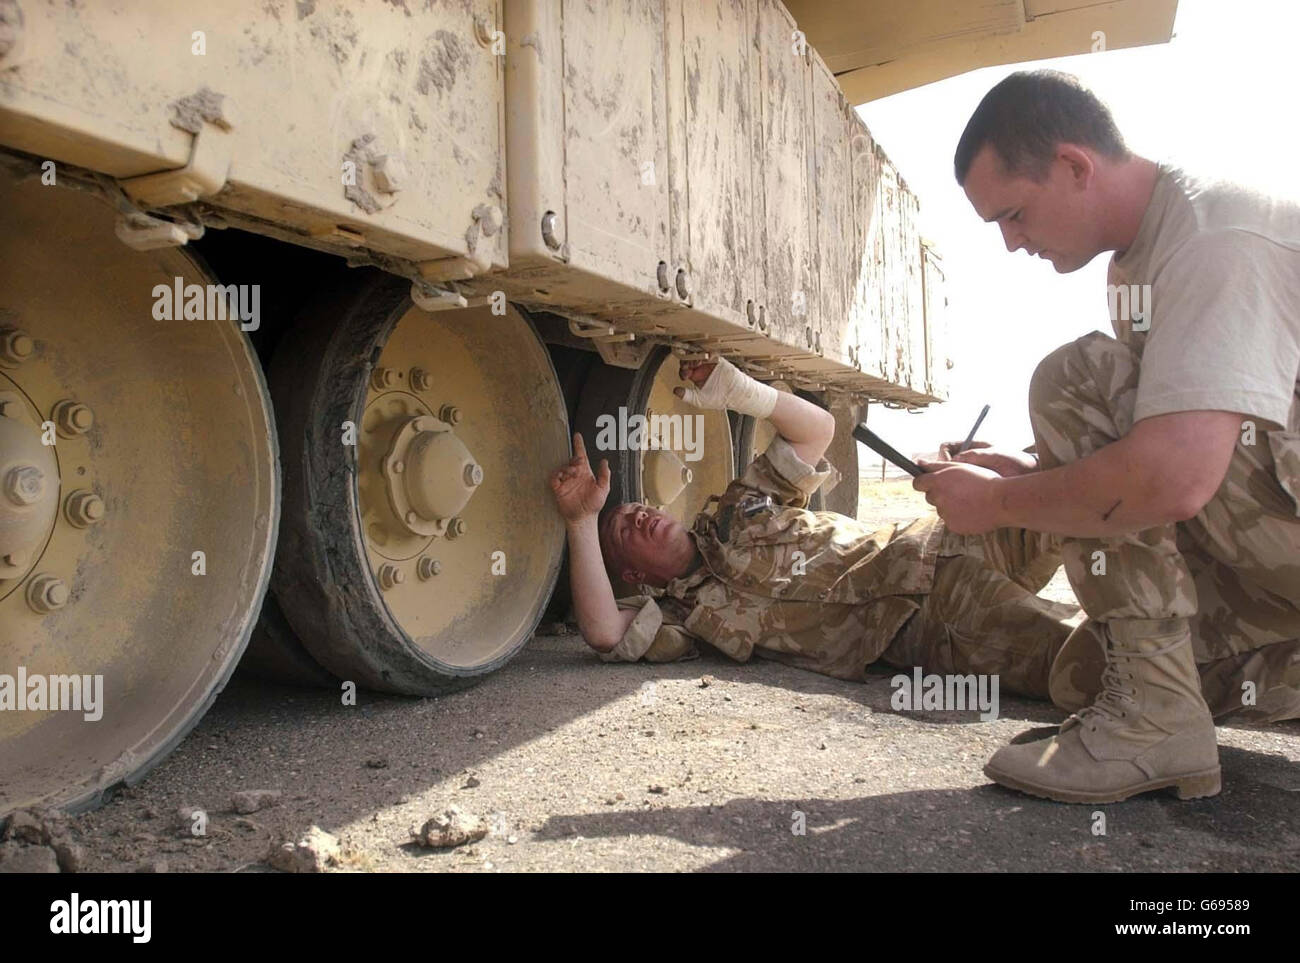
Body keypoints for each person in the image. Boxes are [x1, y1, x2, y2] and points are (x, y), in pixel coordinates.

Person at [914, 70, 1300, 804]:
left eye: (1015, 214)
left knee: (1070, 378)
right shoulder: (1139, 257)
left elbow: (1175, 478)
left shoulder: (1214, 237)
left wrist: (999, 505)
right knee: (1082, 672)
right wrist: (1022, 470)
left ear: (1074, 166)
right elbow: (1177, 440)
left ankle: (1156, 724)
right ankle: (1161, 716)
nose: (1010, 242)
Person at [548, 355, 1081, 700]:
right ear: (634, 577)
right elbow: (602, 633)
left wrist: (742, 391)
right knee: (1089, 656)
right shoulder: (683, 617)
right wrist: (582, 520)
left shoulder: (735, 511)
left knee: (1081, 494)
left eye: (640, 508)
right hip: (927, 619)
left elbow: (817, 431)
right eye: (623, 530)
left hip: (945, 535)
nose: (642, 513)